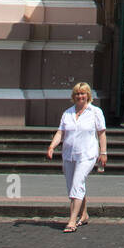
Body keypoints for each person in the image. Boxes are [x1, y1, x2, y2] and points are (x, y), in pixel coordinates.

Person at [47, 82, 107, 232]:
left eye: (83, 93)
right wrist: (52, 146)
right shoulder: (67, 113)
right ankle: (84, 214)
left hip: (87, 154)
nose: (80, 96)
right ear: (73, 96)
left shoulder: (95, 112)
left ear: (88, 95)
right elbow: (61, 132)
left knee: (77, 182)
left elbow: (101, 133)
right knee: (72, 186)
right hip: (69, 154)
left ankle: (72, 220)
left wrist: (103, 152)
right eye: (77, 94)